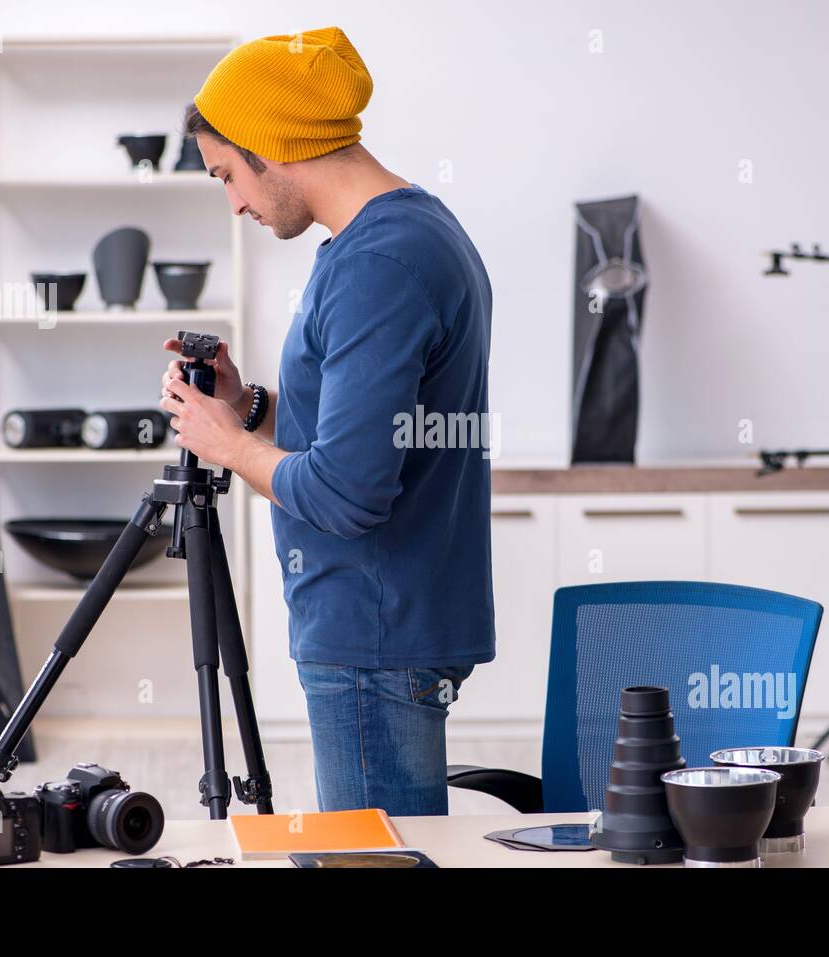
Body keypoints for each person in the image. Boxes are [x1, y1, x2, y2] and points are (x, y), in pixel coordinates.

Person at [158, 27, 495, 816]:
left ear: (273, 144)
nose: (234, 200)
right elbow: (363, 431)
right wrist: (247, 407)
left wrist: (228, 445)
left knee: (366, 860)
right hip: (387, 624)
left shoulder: (377, 264)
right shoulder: (404, 235)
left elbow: (347, 491)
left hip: (372, 638)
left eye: (228, 175)